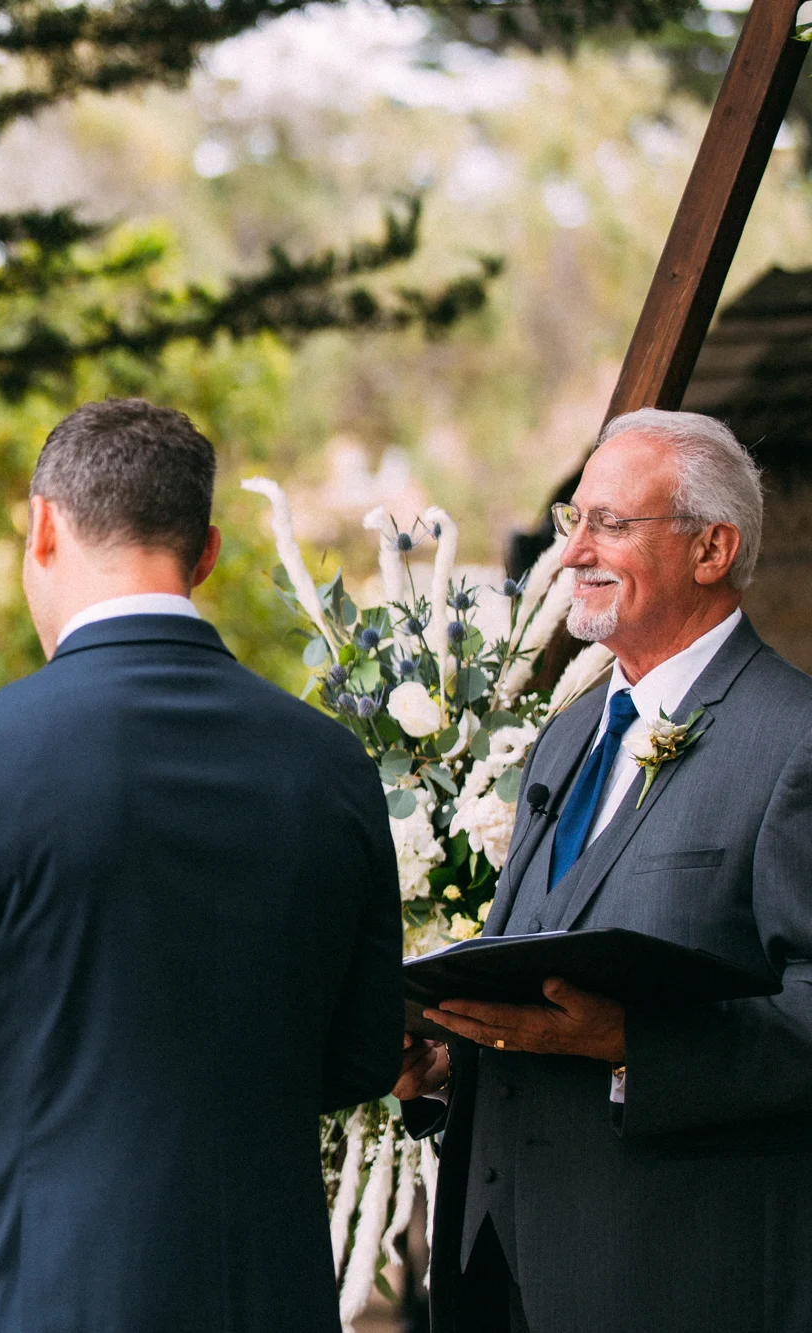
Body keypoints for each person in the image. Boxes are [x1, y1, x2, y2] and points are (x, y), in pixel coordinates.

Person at [0, 398, 404, 1332]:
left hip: (46, 1300)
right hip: (266, 1300)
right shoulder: (330, 763)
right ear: (206, 552)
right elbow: (363, 1054)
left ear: (43, 527)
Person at [399, 409, 812, 1332]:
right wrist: (447, 1060)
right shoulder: (569, 734)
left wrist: (635, 1045)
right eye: (571, 520)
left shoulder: (795, 741)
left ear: (712, 548)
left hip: (673, 1281)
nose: (574, 551)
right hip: (497, 1272)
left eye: (610, 524)